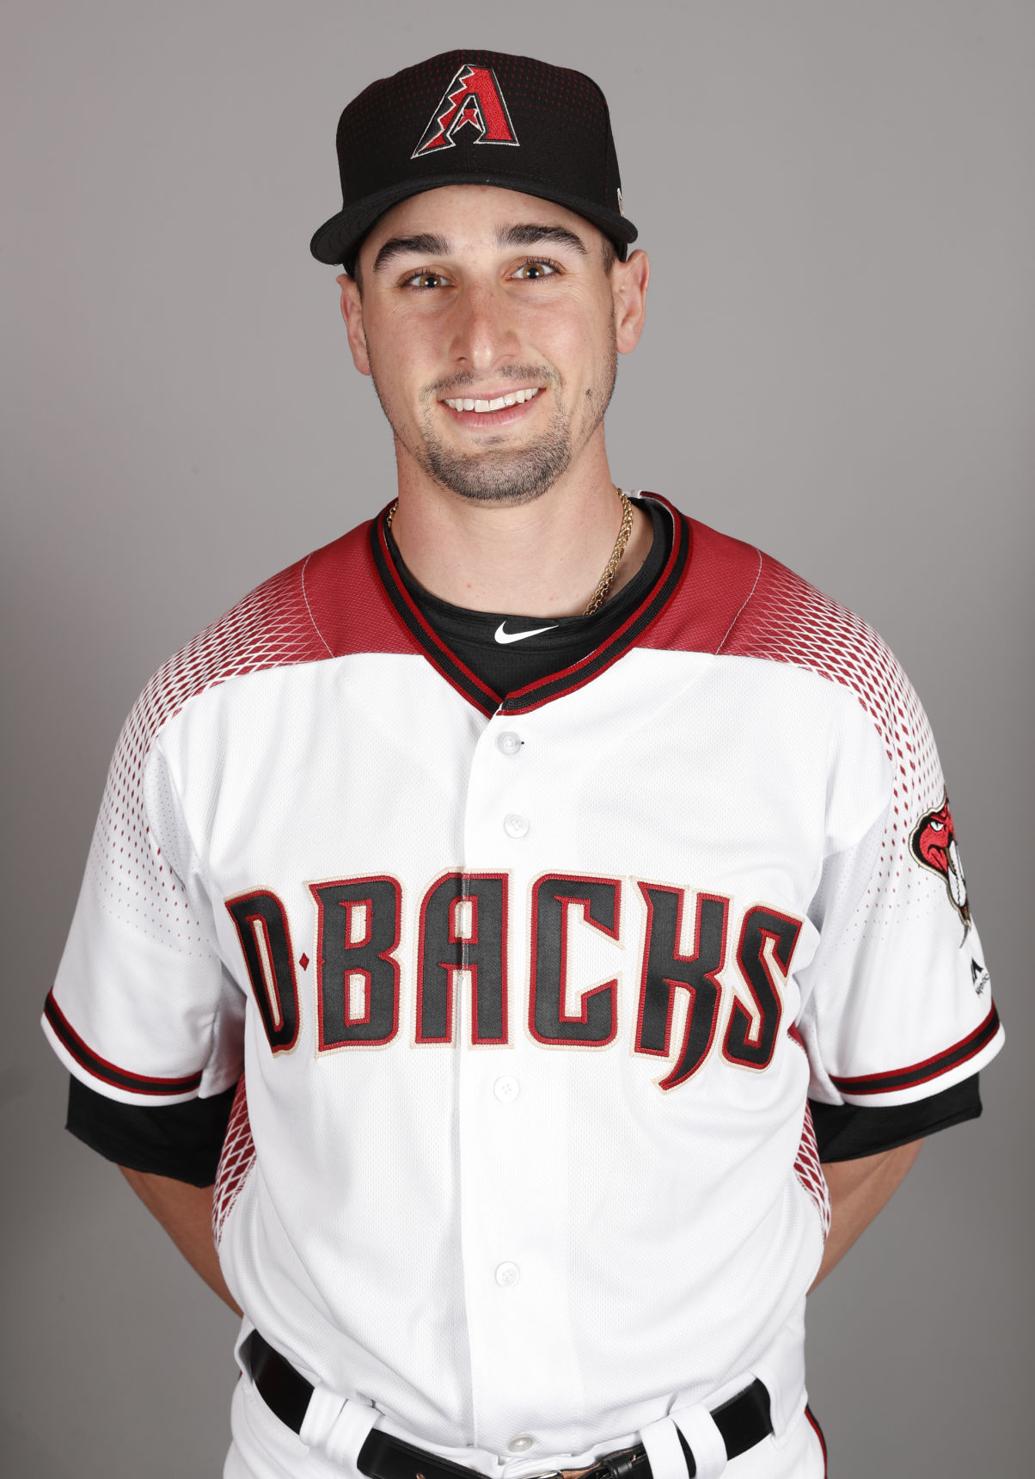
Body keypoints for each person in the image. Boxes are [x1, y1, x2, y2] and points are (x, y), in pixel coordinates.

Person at [42, 48, 1005, 1479]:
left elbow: (897, 1099)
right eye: (419, 273)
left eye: (538, 263)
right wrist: (328, 1327)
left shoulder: (826, 684)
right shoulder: (214, 700)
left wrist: (703, 1321)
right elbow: (136, 1105)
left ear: (626, 295)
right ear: (356, 324)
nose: (481, 333)